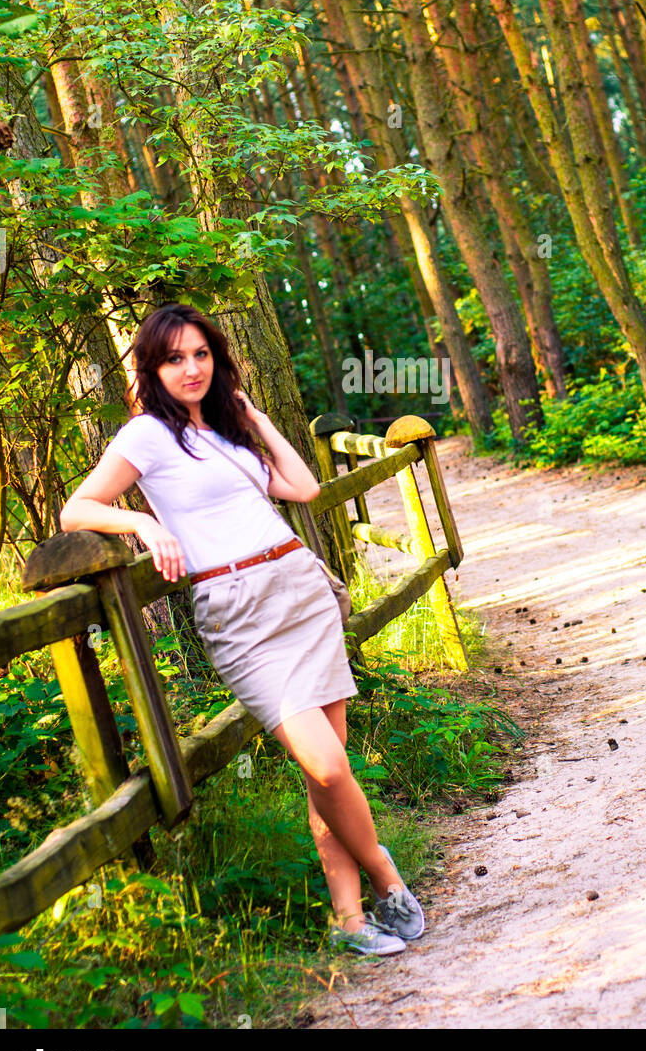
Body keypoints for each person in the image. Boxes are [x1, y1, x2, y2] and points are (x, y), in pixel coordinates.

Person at [59, 302, 424, 956]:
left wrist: (252, 414)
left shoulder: (230, 433)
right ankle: (386, 878)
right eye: (174, 358)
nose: (191, 367)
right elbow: (77, 508)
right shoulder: (146, 437)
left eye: (201, 354)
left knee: (325, 777)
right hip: (239, 614)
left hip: (299, 592)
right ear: (152, 368)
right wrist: (144, 524)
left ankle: (348, 920)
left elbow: (303, 489)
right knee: (326, 763)